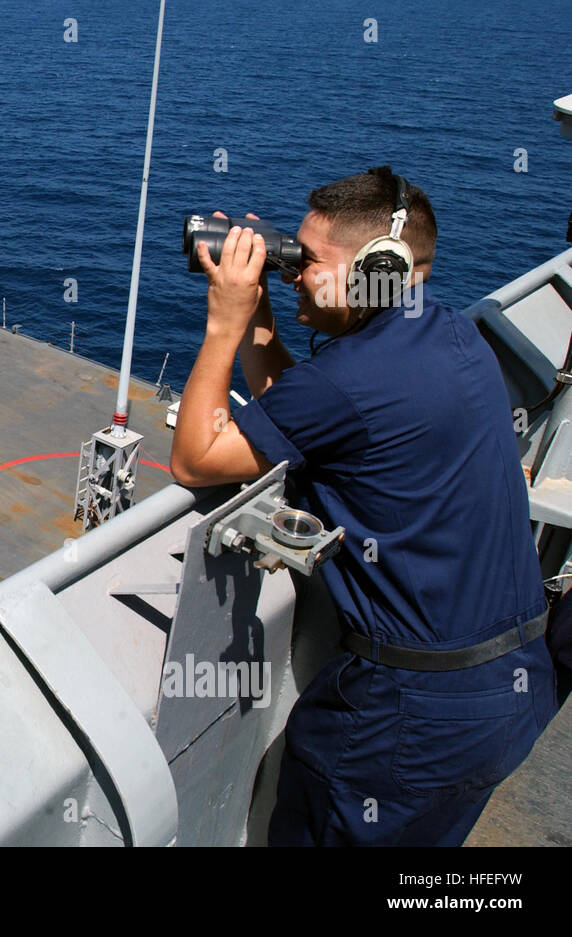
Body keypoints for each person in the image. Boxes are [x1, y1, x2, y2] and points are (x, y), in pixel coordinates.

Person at [170, 166, 557, 846]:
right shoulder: (454, 336)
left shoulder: (352, 378)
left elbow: (196, 456)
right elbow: (310, 412)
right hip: (510, 692)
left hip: (406, 727)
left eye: (307, 262)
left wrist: (224, 321)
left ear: (377, 272)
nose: (292, 272)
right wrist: (262, 315)